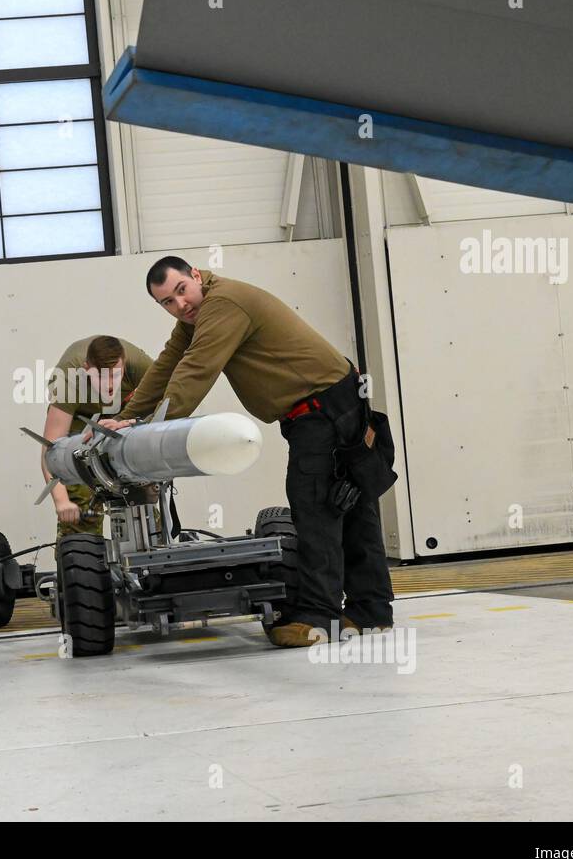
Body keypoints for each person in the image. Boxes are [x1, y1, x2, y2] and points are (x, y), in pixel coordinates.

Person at [96, 256, 395, 647]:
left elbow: (197, 370)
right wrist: (128, 418)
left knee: (316, 506)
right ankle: (370, 612)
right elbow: (169, 365)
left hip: (325, 410)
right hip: (327, 407)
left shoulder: (224, 304)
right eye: (167, 302)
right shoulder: (198, 314)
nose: (180, 305)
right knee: (349, 507)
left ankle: (318, 616)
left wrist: (151, 428)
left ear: (196, 276)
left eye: (181, 291)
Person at [41, 335, 154, 538]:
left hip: (125, 411)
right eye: (101, 377)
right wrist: (62, 502)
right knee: (80, 505)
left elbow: (168, 405)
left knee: (143, 500)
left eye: (115, 375)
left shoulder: (140, 366)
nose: (109, 384)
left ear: (125, 366)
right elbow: (51, 450)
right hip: (81, 417)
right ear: (86, 368)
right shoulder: (68, 380)